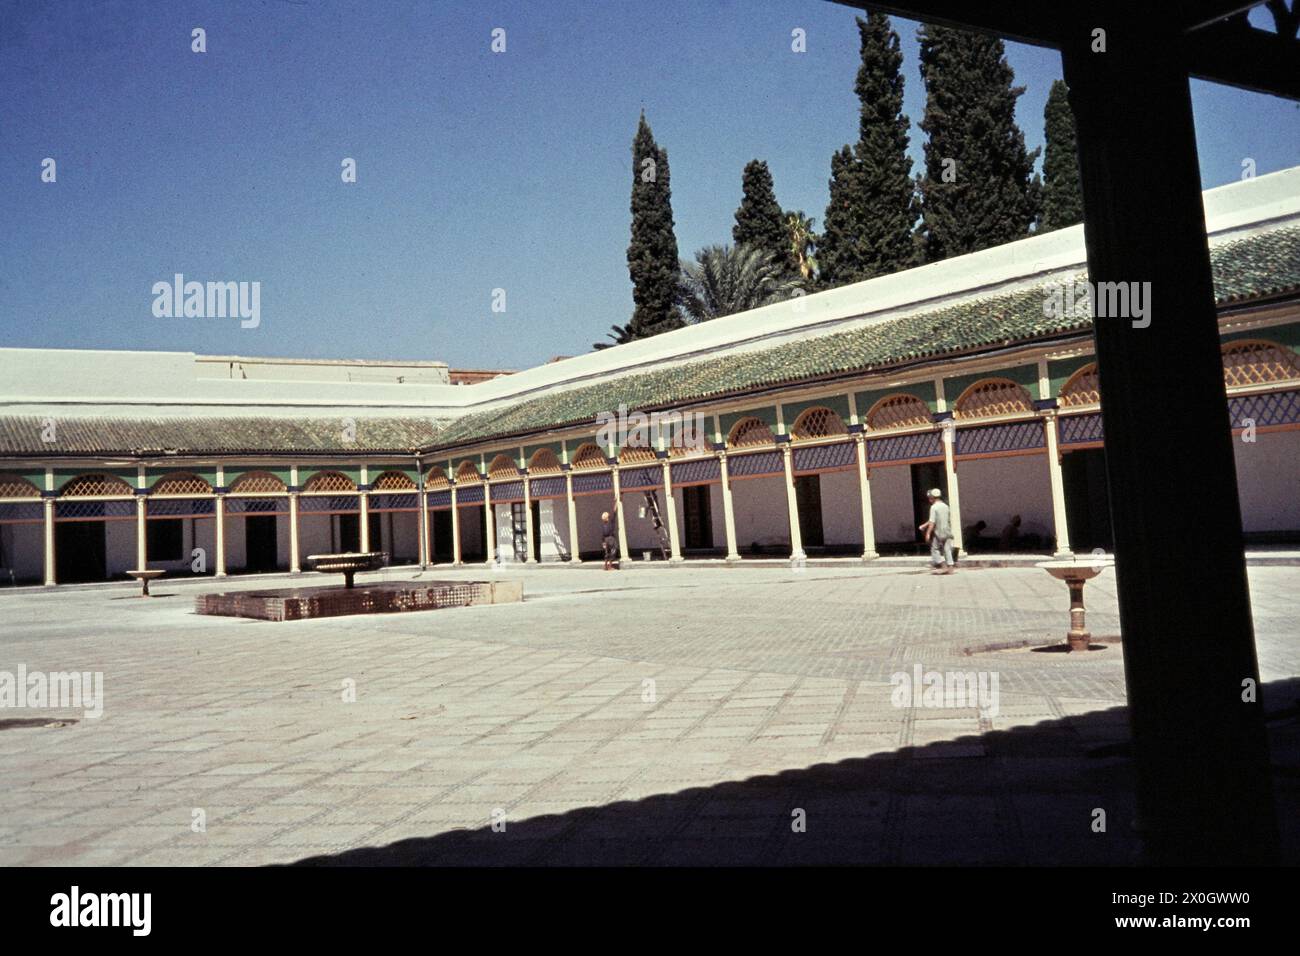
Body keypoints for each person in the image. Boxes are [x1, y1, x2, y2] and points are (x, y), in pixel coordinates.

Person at [919, 488, 954, 574]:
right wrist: (924, 525)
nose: (929, 499)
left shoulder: (933, 507)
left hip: (938, 532)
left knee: (934, 549)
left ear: (933, 498)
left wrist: (927, 533)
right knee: (947, 550)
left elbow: (932, 522)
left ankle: (943, 565)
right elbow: (937, 519)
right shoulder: (945, 506)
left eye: (930, 497)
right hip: (947, 531)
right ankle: (950, 567)